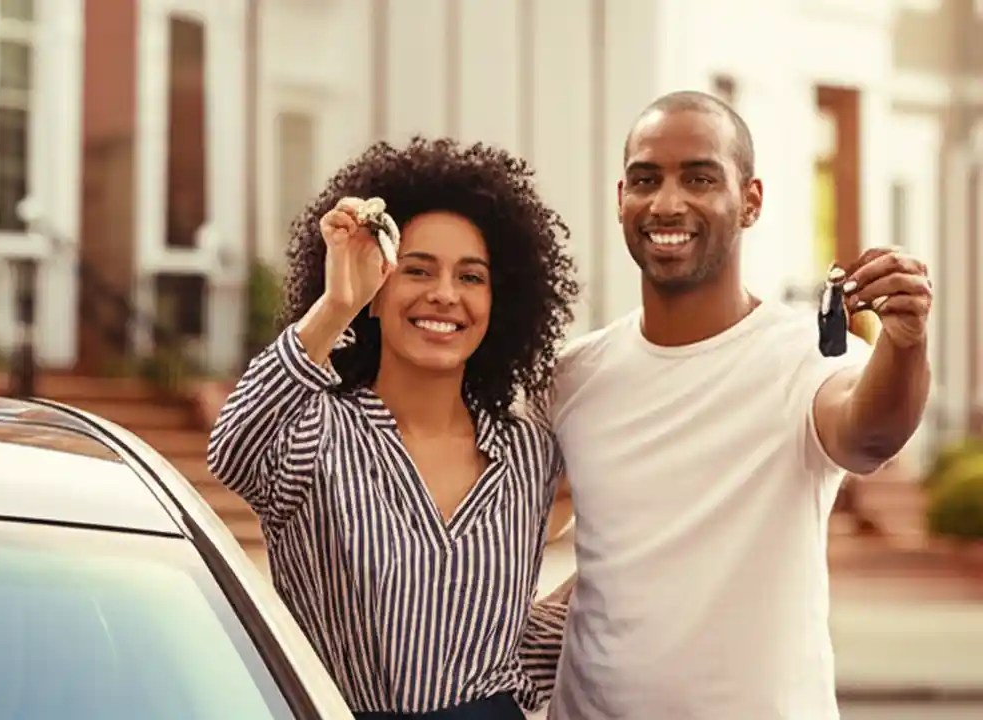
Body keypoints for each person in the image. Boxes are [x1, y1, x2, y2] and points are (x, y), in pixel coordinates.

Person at [545, 91, 933, 720]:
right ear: (622, 199)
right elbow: (516, 524)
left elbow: (869, 436)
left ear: (750, 200)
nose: (668, 202)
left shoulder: (807, 358)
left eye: (699, 177)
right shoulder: (573, 376)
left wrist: (906, 343)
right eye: (647, 179)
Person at [208, 137, 580, 719]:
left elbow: (619, 552)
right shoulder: (319, 432)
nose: (445, 294)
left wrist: (536, 649)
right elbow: (233, 446)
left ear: (498, 302)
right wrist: (336, 306)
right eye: (417, 270)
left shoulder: (528, 451)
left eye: (472, 277)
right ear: (377, 290)